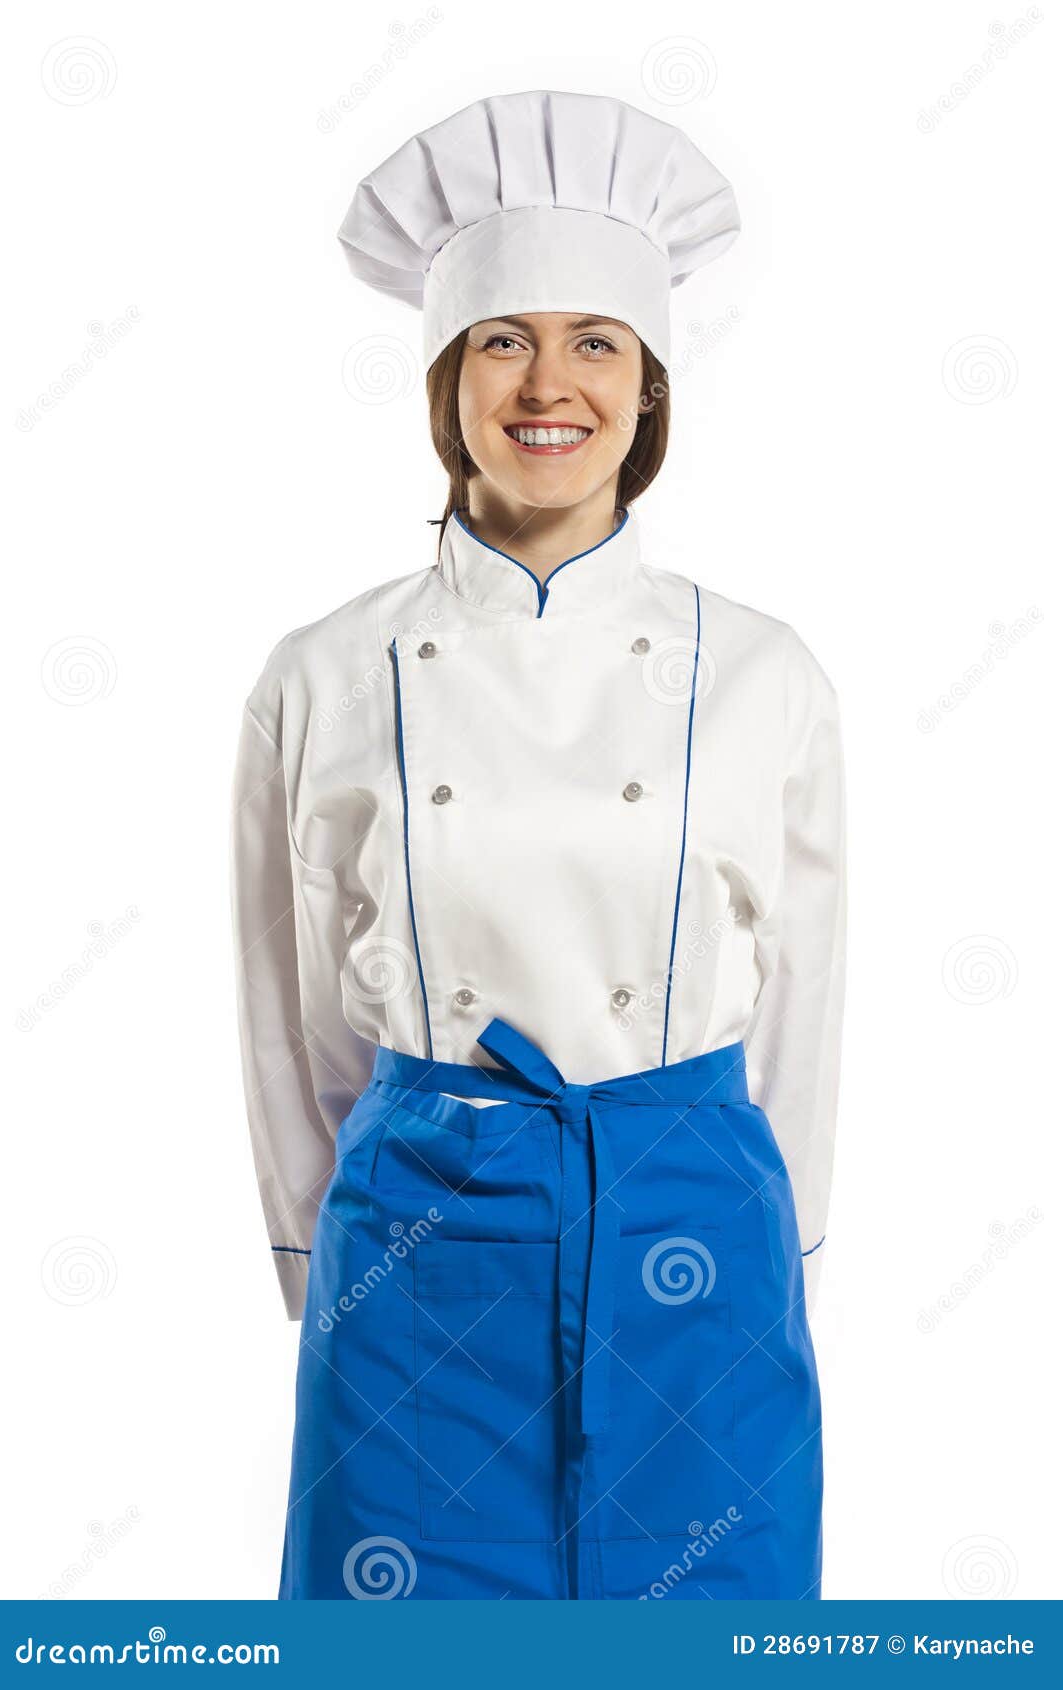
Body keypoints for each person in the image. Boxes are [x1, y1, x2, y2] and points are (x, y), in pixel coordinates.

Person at [230, 89, 846, 1601]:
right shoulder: (326, 671)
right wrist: (324, 1259)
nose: (549, 385)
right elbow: (292, 1012)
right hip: (421, 1251)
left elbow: (805, 1008)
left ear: (649, 392)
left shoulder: (762, 671)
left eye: (598, 344)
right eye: (504, 339)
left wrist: (780, 1251)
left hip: (693, 1239)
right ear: (446, 383)